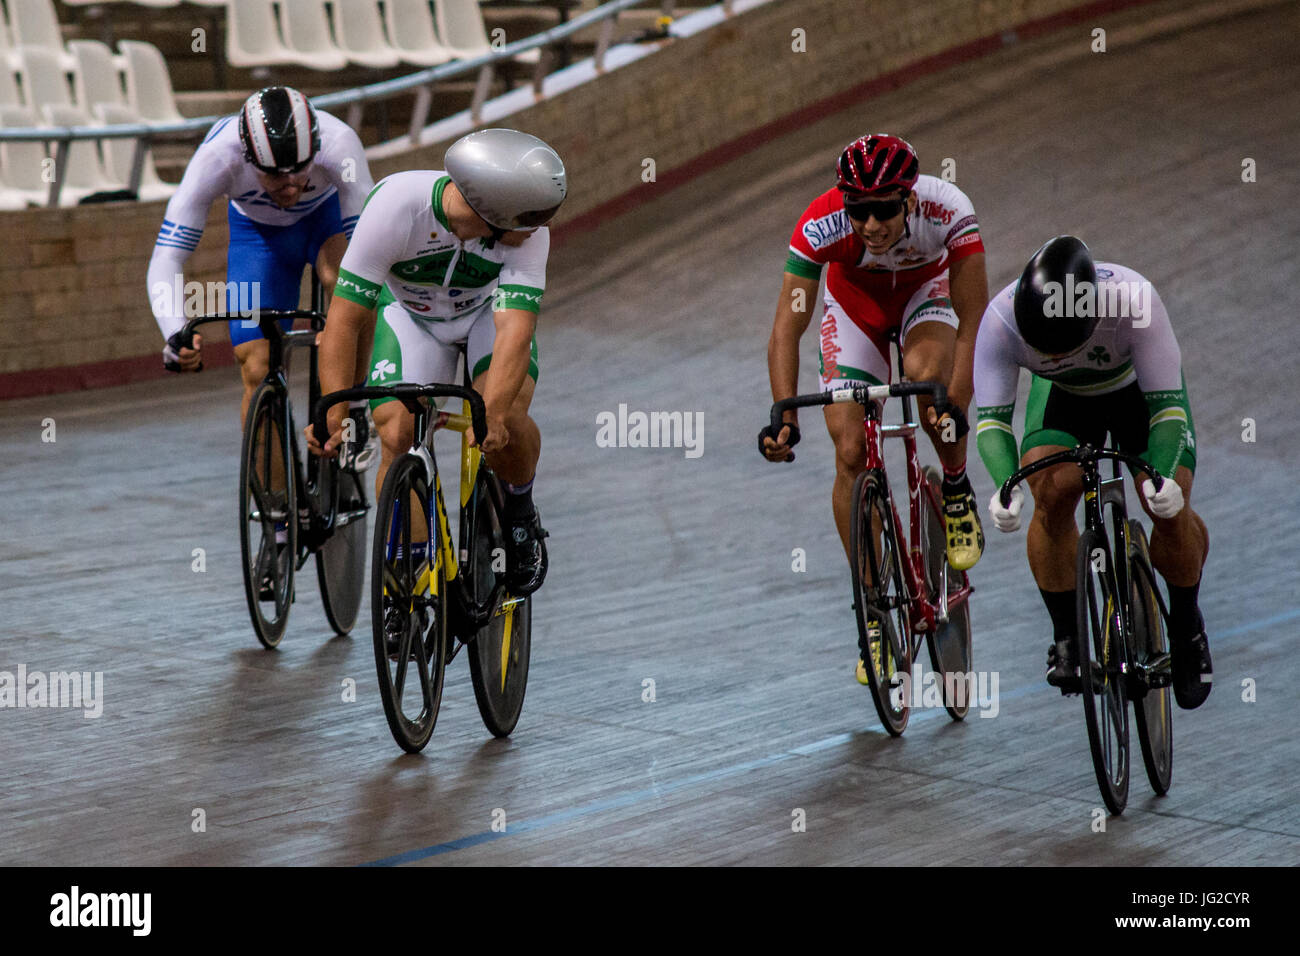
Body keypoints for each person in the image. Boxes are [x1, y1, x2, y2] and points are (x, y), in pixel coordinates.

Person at [759, 133, 989, 683]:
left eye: (883, 210)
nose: (870, 225)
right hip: (855, 305)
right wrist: (784, 416)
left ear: (910, 199)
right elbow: (787, 328)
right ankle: (873, 613)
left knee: (926, 377)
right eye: (858, 211)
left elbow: (974, 313)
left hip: (923, 296)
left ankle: (954, 485)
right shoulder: (820, 224)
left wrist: (954, 405)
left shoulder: (948, 209)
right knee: (849, 448)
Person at [309, 128, 566, 600]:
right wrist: (333, 412)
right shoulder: (396, 207)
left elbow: (514, 331)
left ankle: (520, 511)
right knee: (398, 433)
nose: (542, 226)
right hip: (412, 318)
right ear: (494, 210)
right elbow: (345, 319)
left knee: (505, 416)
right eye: (532, 216)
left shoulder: (529, 237)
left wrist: (490, 410)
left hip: (486, 318)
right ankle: (409, 562)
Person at [974, 236, 1212, 709]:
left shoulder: (1134, 301)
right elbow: (991, 423)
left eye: (1065, 347)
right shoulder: (1000, 321)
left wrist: (1162, 474)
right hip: (1065, 400)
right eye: (1046, 351)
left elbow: (1166, 413)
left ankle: (1187, 626)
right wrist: (1005, 484)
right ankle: (1066, 637)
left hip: (1137, 395)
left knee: (1165, 502)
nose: (1057, 357)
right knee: (1050, 494)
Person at [147, 86, 375, 441]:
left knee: (344, 280)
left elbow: (367, 251)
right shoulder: (218, 157)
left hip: (326, 220)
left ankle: (355, 406)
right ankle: (280, 495)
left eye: (300, 171)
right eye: (274, 176)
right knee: (257, 367)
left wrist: (343, 323)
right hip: (259, 238)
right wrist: (175, 333)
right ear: (248, 159)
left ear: (314, 149)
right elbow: (168, 255)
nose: (289, 186)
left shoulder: (339, 144)